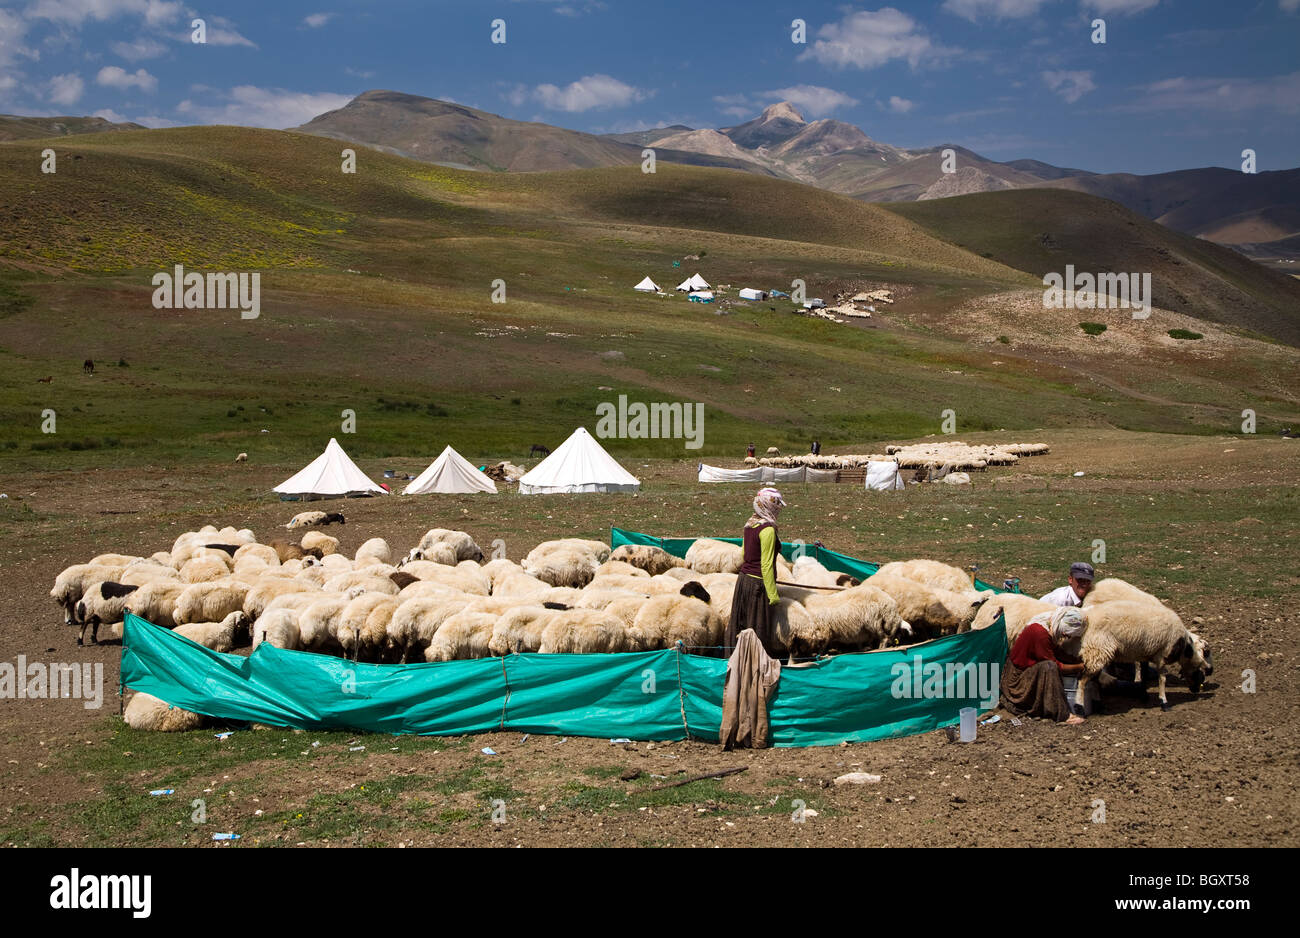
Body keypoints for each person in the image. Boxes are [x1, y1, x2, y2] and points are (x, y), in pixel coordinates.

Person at [999, 607, 1088, 725]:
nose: (1066, 638)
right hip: (1017, 683)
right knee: (1050, 667)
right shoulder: (1040, 633)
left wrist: (1076, 660)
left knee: (1050, 665)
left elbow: (1056, 651)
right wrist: (1080, 667)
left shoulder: (1047, 627)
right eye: (1067, 634)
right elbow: (1057, 666)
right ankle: (1062, 714)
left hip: (1026, 672)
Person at [725, 487, 785, 656]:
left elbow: (744, 554)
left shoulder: (749, 524)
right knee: (757, 627)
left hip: (743, 581)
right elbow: (766, 565)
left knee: (740, 623)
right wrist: (773, 594)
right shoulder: (768, 530)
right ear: (769, 507)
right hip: (758, 586)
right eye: (776, 507)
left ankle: (734, 658)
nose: (778, 511)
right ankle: (753, 665)